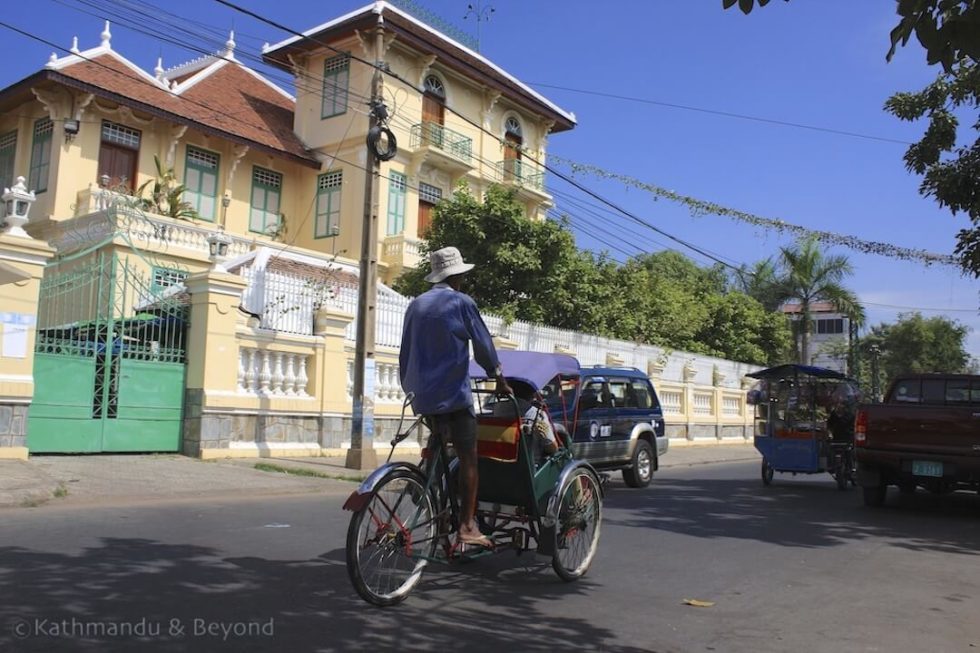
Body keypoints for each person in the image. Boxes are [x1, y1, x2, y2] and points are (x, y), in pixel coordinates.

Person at [399, 246, 512, 548]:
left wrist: (410, 388)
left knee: (437, 448)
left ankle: (437, 503)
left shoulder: (416, 305)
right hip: (453, 396)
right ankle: (466, 525)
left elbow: (405, 352)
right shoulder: (461, 302)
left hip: (420, 394)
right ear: (458, 275)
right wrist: (498, 379)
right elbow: (484, 347)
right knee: (468, 458)